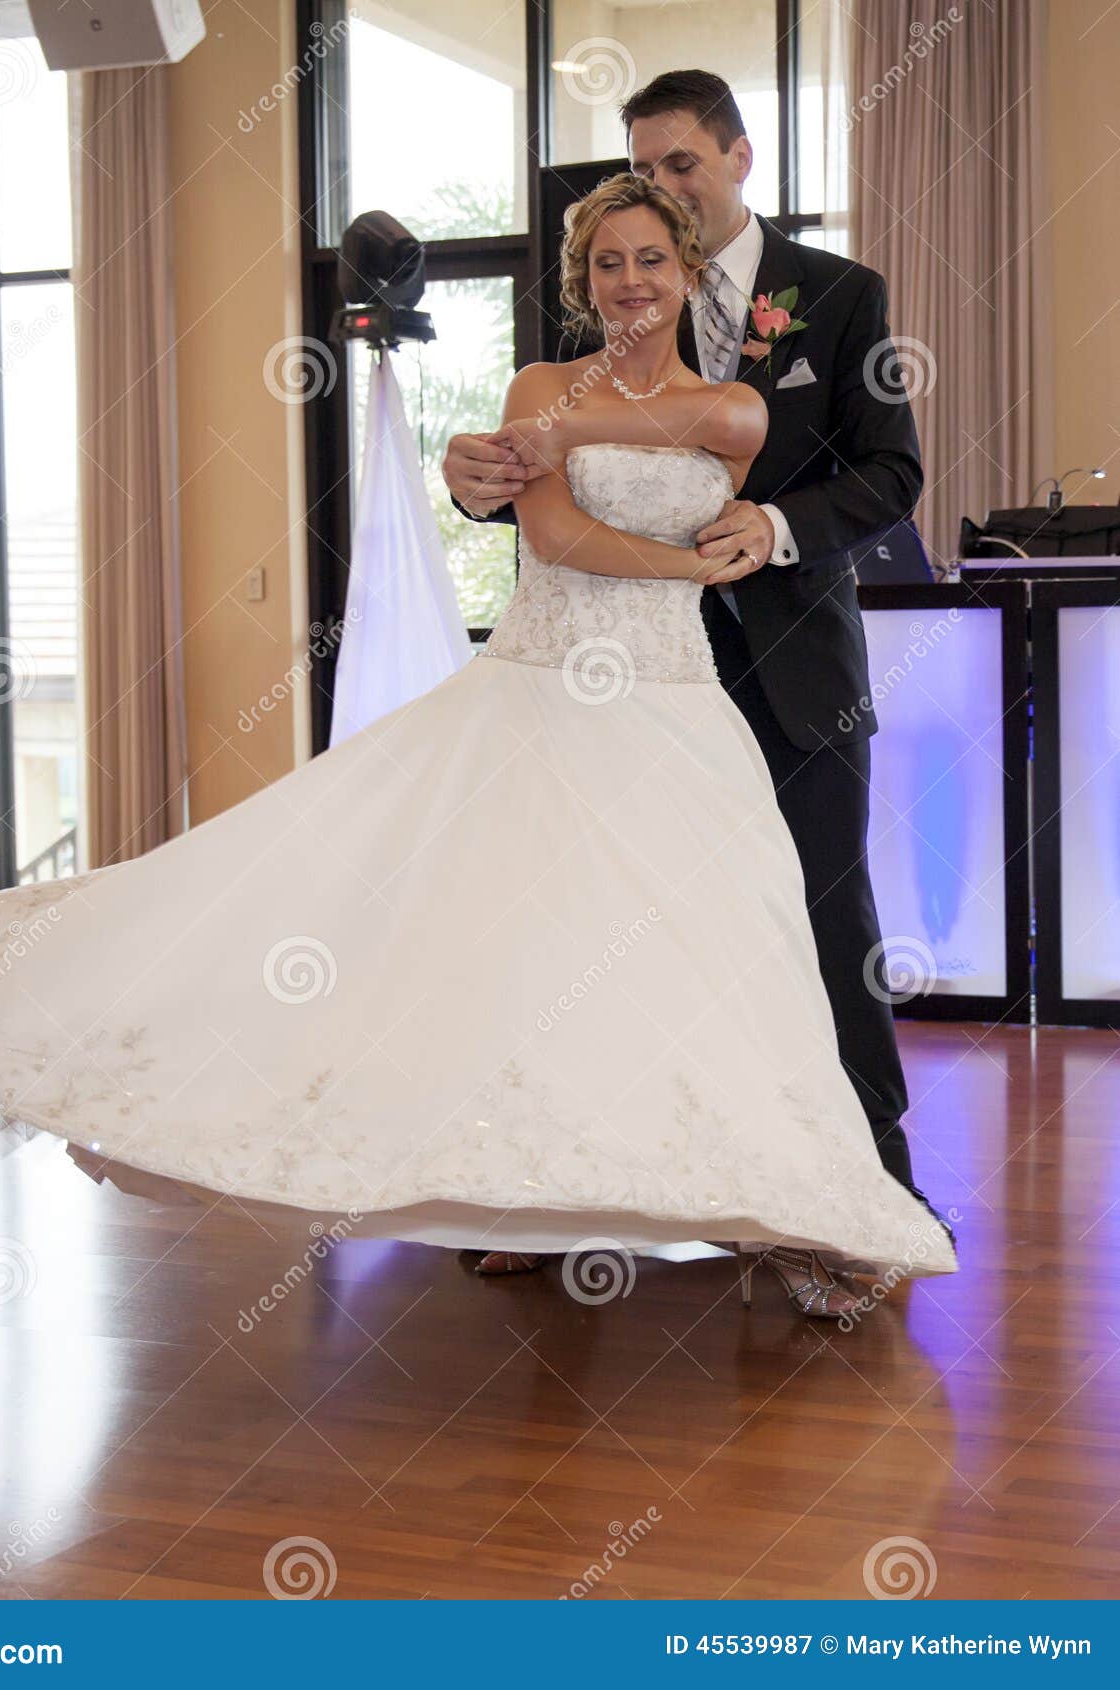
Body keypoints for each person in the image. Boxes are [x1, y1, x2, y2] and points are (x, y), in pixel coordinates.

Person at [0, 174, 956, 1323]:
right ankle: (510, 1193)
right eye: (608, 262)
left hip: (678, 703)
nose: (631, 280)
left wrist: (567, 441)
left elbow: (734, 437)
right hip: (544, 692)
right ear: (583, 281)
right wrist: (686, 558)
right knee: (514, 946)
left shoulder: (729, 402)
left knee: (726, 954)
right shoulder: (536, 384)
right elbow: (558, 535)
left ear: (688, 268)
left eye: (651, 259)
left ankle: (787, 1205)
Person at [443, 70, 952, 1250]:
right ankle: (558, 1189)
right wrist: (468, 484)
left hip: (793, 674)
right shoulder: (594, 323)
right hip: (613, 680)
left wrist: (775, 527)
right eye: (641, 167)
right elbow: (539, 470)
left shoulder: (839, 295)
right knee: (587, 927)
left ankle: (866, 1194)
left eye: (680, 163)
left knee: (819, 918)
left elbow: (892, 473)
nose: (660, 187)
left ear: (738, 159)